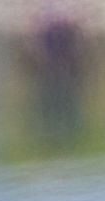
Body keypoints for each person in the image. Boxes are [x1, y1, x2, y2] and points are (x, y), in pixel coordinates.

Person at [23, 2, 90, 153]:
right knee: (49, 96)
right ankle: (50, 133)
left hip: (64, 50)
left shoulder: (69, 24)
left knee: (67, 97)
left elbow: (79, 36)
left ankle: (68, 132)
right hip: (51, 53)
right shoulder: (48, 21)